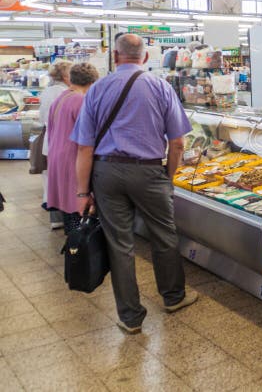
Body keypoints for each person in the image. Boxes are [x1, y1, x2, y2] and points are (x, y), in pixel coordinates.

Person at [72, 33, 197, 334]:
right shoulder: (160, 86)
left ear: (116, 57)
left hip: (107, 173)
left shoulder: (97, 89)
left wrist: (81, 192)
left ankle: (130, 317)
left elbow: (84, 148)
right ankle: (173, 297)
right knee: (164, 237)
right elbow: (177, 142)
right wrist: (167, 178)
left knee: (120, 245)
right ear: (144, 58)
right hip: (150, 171)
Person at [46, 63, 99, 235]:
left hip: (57, 157)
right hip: (73, 159)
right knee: (78, 208)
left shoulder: (61, 98)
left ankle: (73, 247)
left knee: (68, 210)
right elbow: (88, 137)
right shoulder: (81, 100)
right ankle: (80, 252)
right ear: (92, 82)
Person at [39, 60, 72, 226]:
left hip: (50, 143)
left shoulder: (47, 91)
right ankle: (65, 219)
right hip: (63, 143)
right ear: (66, 76)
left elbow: (41, 118)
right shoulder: (65, 93)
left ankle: (56, 219)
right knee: (65, 183)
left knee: (53, 181)